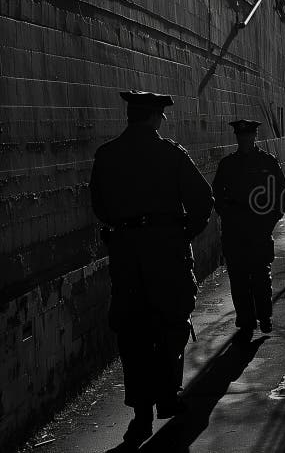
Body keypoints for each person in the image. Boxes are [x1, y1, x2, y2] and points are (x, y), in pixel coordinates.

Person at [89, 90, 214, 447]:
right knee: (172, 323)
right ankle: (168, 395)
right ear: (154, 117)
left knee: (133, 332)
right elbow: (203, 199)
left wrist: (127, 230)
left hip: (127, 256)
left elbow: (99, 205)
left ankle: (141, 416)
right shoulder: (171, 154)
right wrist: (182, 233)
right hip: (167, 255)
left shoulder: (107, 155)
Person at [212, 119, 285, 337]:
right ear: (237, 137)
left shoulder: (267, 162)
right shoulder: (228, 164)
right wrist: (226, 213)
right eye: (240, 137)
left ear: (254, 137)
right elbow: (216, 193)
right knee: (238, 277)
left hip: (258, 228)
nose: (244, 140)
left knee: (261, 276)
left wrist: (269, 221)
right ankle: (245, 320)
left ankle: (264, 316)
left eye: (248, 136)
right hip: (235, 229)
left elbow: (281, 194)